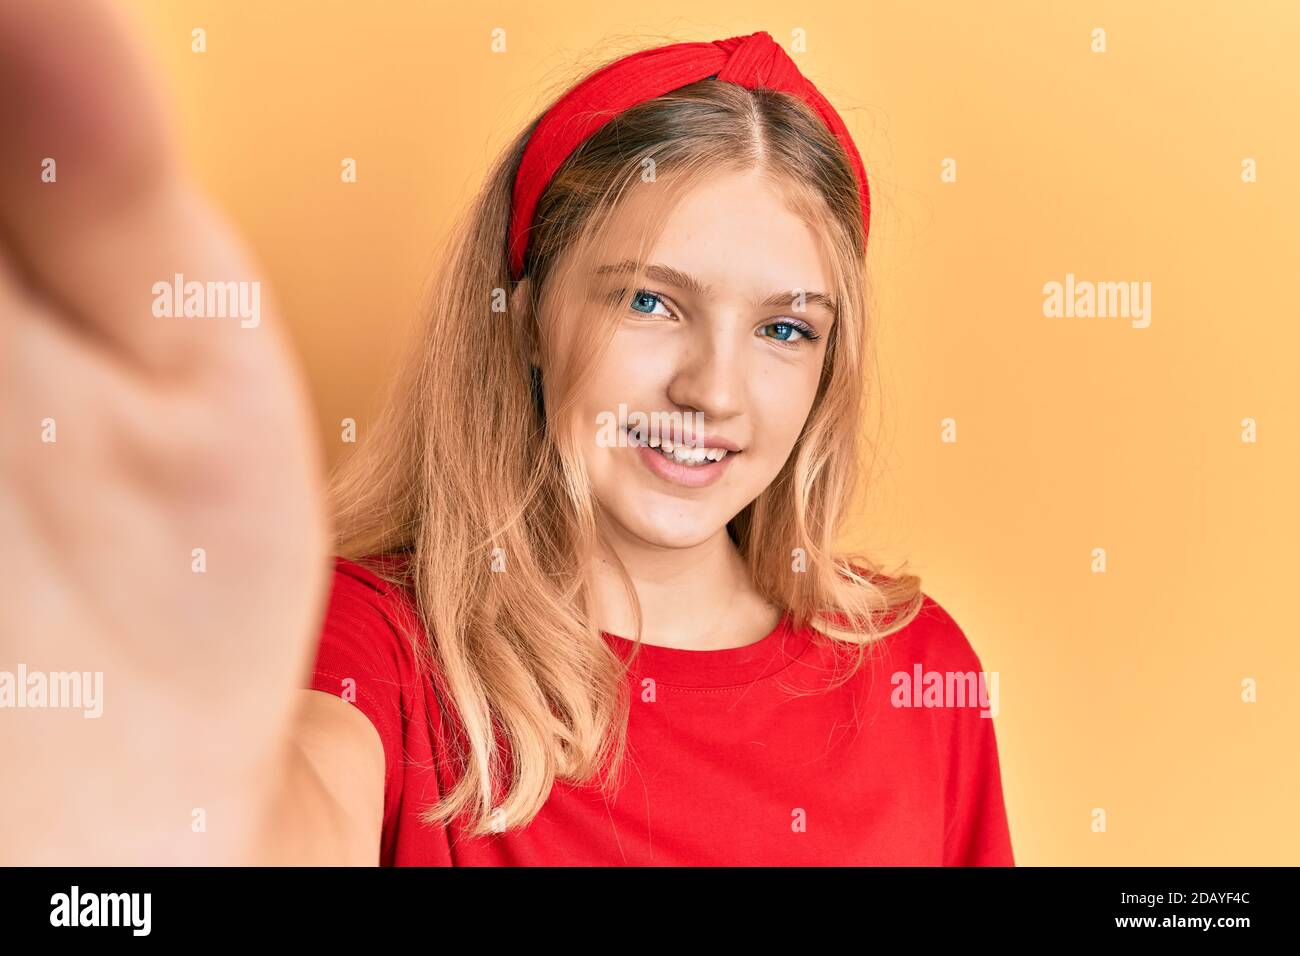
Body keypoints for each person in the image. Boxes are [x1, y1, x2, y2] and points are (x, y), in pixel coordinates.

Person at [0, 2, 1012, 866]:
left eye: (785, 329)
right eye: (650, 302)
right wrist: (152, 790)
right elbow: (296, 806)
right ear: (524, 315)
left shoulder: (916, 669)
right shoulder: (380, 642)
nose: (713, 390)